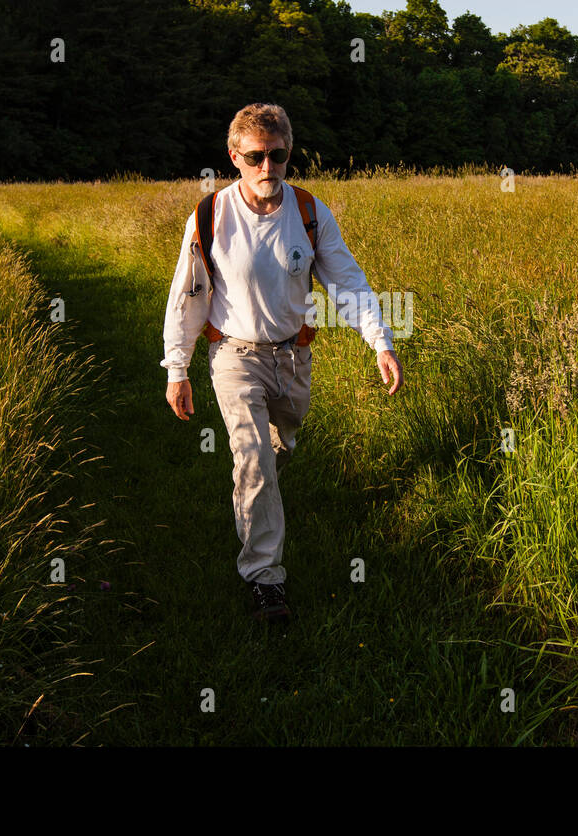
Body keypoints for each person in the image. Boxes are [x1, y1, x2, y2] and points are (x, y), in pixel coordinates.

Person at [161, 103, 405, 621]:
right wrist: (177, 368)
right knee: (252, 459)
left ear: (289, 154)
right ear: (234, 157)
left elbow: (346, 282)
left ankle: (260, 496)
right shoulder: (210, 216)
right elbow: (188, 297)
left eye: (278, 156)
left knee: (278, 448)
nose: (267, 168)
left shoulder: (310, 212)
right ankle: (265, 580)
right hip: (234, 356)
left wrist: (379, 341)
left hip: (294, 356)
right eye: (255, 157)